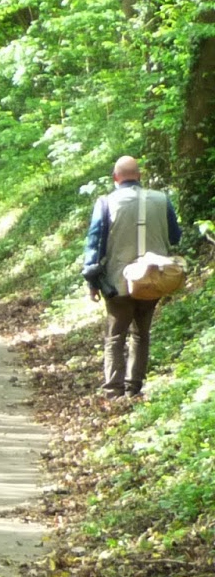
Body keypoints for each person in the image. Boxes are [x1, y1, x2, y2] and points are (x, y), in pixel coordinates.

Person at [81, 155, 183, 398]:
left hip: (118, 282)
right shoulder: (161, 199)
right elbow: (175, 236)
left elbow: (94, 244)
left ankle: (113, 389)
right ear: (139, 176)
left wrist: (91, 281)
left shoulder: (106, 202)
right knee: (141, 334)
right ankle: (133, 387)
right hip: (153, 277)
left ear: (116, 178)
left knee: (115, 336)